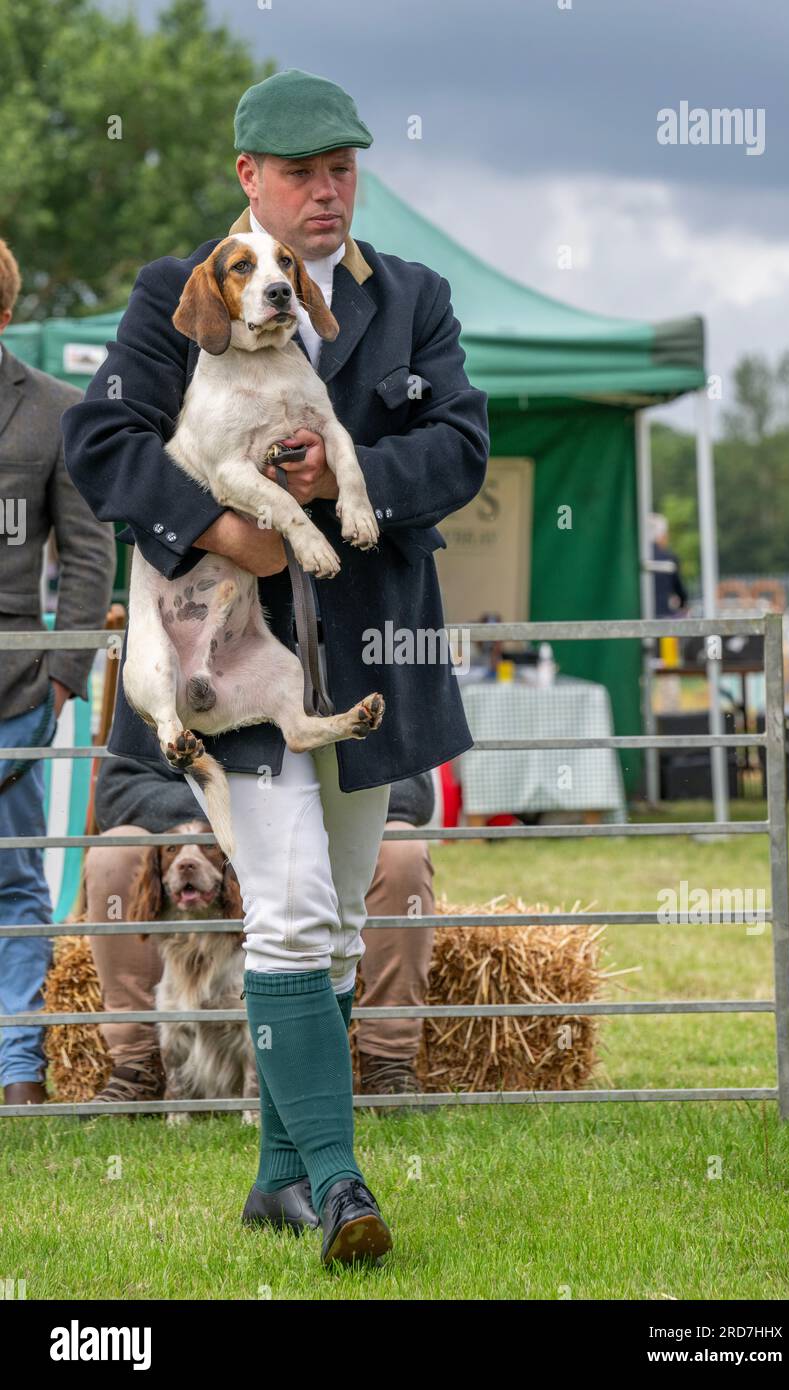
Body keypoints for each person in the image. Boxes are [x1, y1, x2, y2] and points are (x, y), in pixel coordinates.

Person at [62, 69, 489, 1266]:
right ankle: (344, 1189)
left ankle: (272, 1178)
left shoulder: (414, 299)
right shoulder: (172, 294)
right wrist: (229, 529)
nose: (326, 191)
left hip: (369, 660)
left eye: (342, 168)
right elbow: (105, 441)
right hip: (222, 660)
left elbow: (460, 446)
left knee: (341, 923)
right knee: (292, 907)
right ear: (249, 178)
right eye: (301, 173)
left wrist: (339, 485)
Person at [84, 756, 438, 1108]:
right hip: (214, 830)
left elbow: (409, 791)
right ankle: (141, 1064)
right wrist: (240, 810)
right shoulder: (156, 697)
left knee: (402, 849)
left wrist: (295, 808)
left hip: (330, 822)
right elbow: (117, 792)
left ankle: (387, 1061)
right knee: (111, 854)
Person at [0, 237, 115, 1107]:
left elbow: (88, 555)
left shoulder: (55, 411)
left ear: (6, 312)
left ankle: (17, 1076)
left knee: (14, 883)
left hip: (14, 692)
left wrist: (65, 678)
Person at [650, 512, 688, 617]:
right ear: (662, 535)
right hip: (664, 616)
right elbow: (680, 592)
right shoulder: (669, 558)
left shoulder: (634, 557)